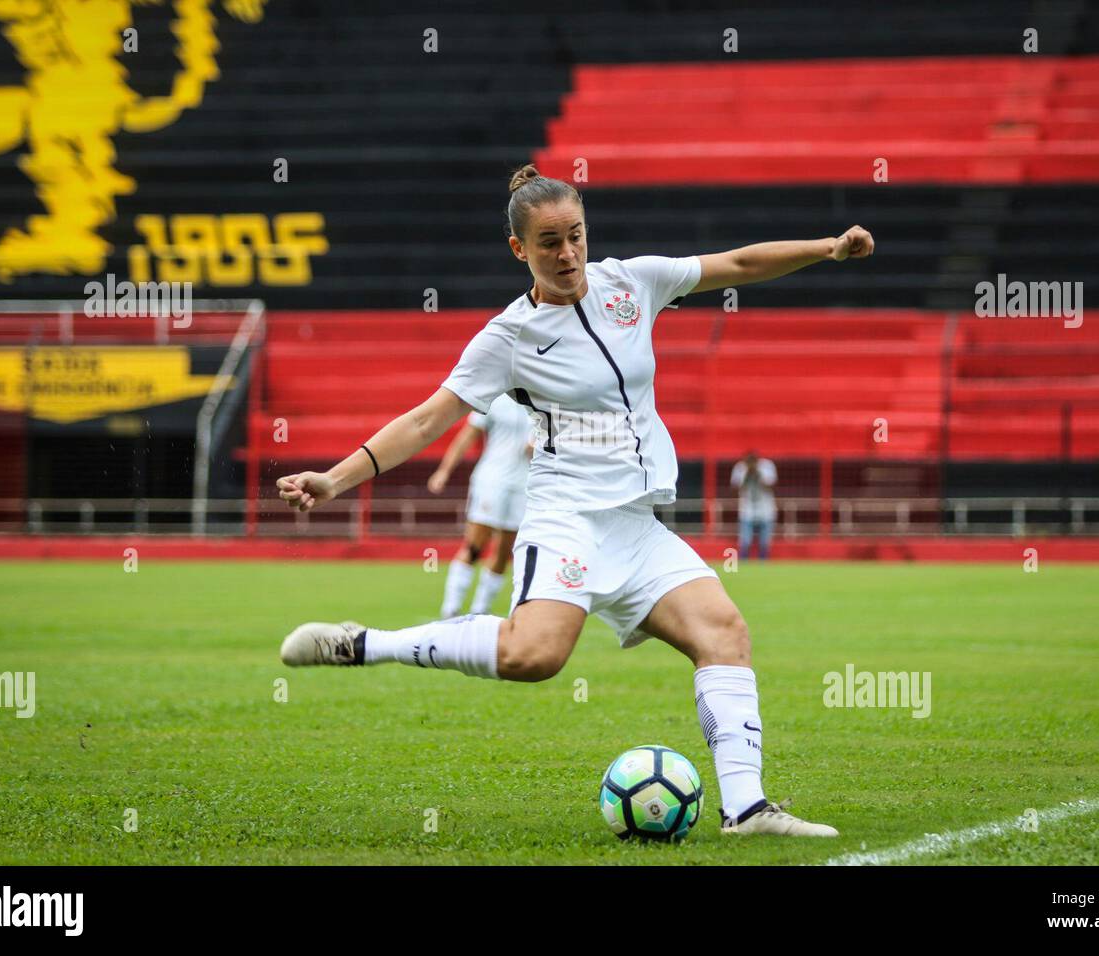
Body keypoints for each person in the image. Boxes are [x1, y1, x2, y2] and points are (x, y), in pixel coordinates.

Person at [275, 164, 874, 836]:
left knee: (725, 633)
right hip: (568, 521)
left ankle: (746, 809)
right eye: (549, 242)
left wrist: (826, 248)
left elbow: (735, 262)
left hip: (636, 523)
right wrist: (333, 478)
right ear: (519, 250)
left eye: (576, 236)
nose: (567, 254)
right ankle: (365, 645)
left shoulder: (633, 282)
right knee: (534, 657)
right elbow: (424, 421)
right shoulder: (509, 337)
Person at [427, 392, 534, 617]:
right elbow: (467, 436)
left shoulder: (542, 399)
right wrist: (444, 471)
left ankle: (480, 610)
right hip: (491, 480)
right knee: (475, 545)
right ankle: (451, 609)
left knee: (505, 551)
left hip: (525, 483)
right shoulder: (495, 399)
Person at [730, 451, 777, 560]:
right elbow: (734, 489)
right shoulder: (740, 468)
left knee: (765, 540)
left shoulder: (767, 466)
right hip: (747, 509)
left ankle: (763, 561)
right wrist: (747, 476)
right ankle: (744, 561)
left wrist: (757, 474)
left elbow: (772, 487)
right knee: (745, 539)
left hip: (766, 508)